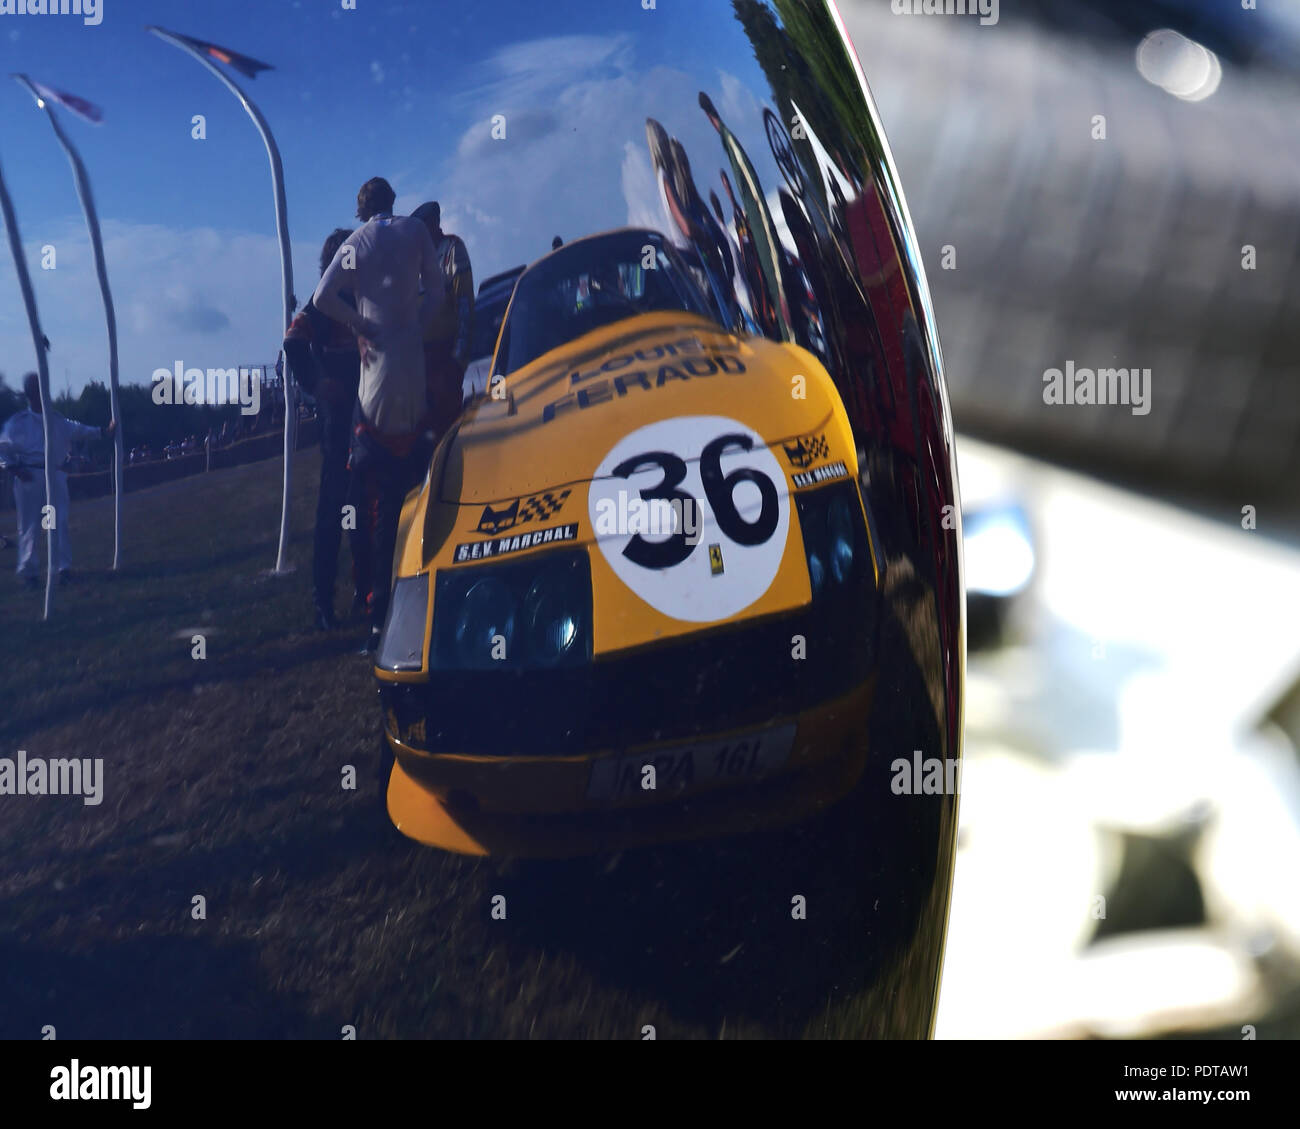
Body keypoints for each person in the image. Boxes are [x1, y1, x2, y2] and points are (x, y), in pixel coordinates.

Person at [313, 177, 443, 650]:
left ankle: (379, 612)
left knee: (378, 501)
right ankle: (425, 594)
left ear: (362, 209)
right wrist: (415, 331)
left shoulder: (357, 242)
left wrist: (361, 324)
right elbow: (440, 293)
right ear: (393, 202)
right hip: (413, 367)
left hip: (377, 380)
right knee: (419, 488)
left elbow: (322, 298)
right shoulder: (415, 232)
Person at [284, 227, 370, 631]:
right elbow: (293, 343)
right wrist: (318, 385)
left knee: (361, 501)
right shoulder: (322, 304)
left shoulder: (358, 296)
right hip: (337, 418)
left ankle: (363, 588)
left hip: (364, 409)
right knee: (333, 506)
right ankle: (323, 599)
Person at [0, 372, 116, 586]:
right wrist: (15, 468)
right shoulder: (18, 423)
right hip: (29, 479)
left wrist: (104, 431)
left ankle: (62, 569)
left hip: (53, 477)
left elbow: (79, 430)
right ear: (30, 394)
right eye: (36, 389)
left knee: (56, 522)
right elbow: (3, 448)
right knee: (29, 525)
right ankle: (30, 572)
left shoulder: (56, 420)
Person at [410, 201, 474, 440]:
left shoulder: (452, 249)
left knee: (451, 433)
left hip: (446, 357)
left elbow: (465, 307)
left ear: (434, 224)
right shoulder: (412, 263)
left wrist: (457, 361)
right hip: (420, 364)